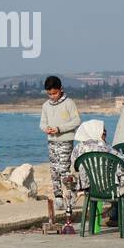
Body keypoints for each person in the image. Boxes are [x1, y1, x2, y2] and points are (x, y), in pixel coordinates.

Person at [40, 76, 81, 219]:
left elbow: (76, 121)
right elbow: (42, 123)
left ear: (61, 89)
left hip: (65, 141)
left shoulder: (69, 103)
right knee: (54, 170)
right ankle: (58, 197)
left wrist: (59, 129)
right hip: (51, 141)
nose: (52, 96)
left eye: (55, 93)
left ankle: (71, 193)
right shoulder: (45, 105)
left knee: (64, 169)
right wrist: (47, 129)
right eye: (49, 94)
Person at [69, 119, 124, 199]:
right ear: (96, 132)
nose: (105, 134)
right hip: (111, 189)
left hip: (89, 189)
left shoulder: (78, 148)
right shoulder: (105, 147)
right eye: (103, 131)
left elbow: (74, 167)